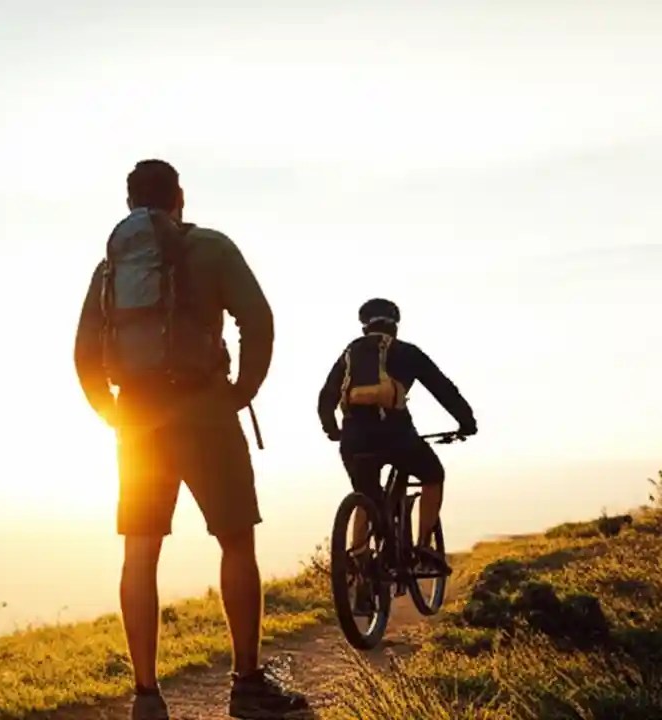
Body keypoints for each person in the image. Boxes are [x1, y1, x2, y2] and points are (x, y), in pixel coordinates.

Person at [74, 159, 310, 720]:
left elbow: (83, 354)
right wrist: (240, 390)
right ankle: (247, 686)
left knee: (140, 551)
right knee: (235, 542)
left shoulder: (110, 267)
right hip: (205, 408)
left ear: (130, 202)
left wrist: (112, 413)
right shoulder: (210, 247)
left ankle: (146, 696)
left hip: (136, 418)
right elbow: (259, 318)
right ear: (180, 197)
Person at [316, 297, 476, 611]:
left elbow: (326, 397)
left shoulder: (349, 353)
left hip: (354, 439)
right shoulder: (407, 352)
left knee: (365, 495)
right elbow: (443, 388)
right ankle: (422, 548)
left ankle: (361, 563)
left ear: (364, 325)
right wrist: (466, 422)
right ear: (395, 324)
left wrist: (333, 429)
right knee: (432, 475)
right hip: (397, 436)